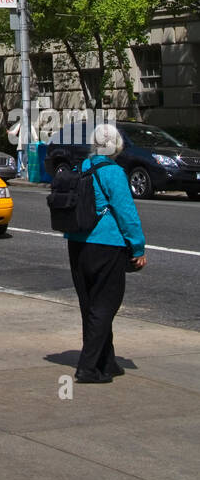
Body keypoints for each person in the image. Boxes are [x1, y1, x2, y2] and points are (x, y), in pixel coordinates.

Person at [63, 122, 146, 384]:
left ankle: (106, 362)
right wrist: (138, 246)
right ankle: (87, 368)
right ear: (117, 145)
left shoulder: (82, 167)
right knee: (106, 305)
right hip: (106, 244)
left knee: (90, 304)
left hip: (77, 243)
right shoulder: (113, 172)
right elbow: (126, 213)